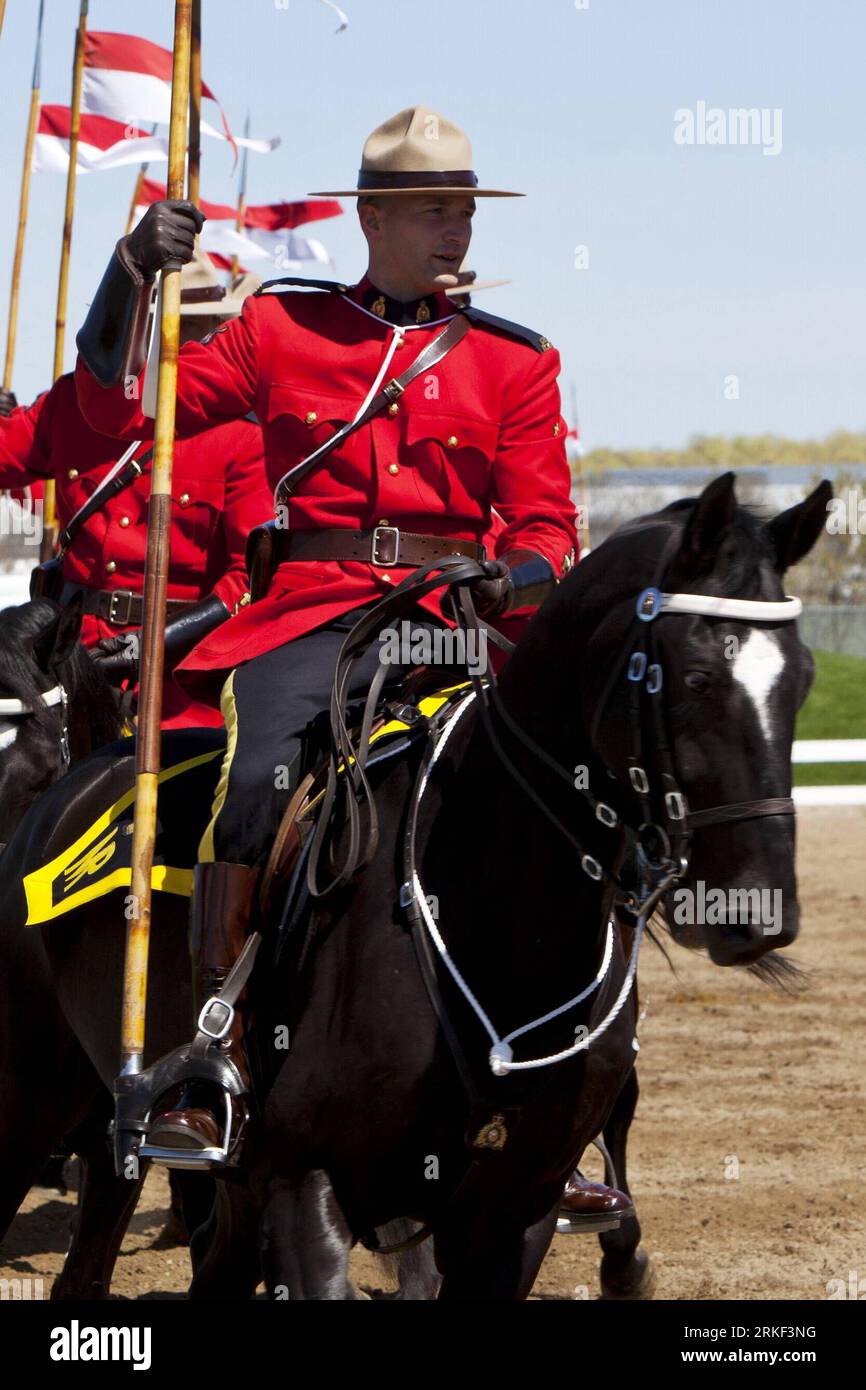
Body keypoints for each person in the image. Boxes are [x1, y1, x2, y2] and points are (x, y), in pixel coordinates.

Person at [74, 104, 628, 1229]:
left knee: (565, 805)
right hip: (307, 620)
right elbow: (133, 399)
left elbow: (548, 530)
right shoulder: (281, 332)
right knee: (255, 785)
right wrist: (132, 272)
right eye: (432, 209)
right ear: (371, 216)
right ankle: (216, 1054)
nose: (454, 230)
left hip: (451, 625)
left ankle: (559, 1088)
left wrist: (506, 583)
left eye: (464, 210)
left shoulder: (516, 362)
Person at [0, 252, 270, 728]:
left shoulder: (241, 436)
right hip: (70, 664)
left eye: (196, 330)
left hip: (181, 684)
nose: (184, 345)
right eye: (169, 330)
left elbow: (248, 577)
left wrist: (157, 643)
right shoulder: (73, 404)